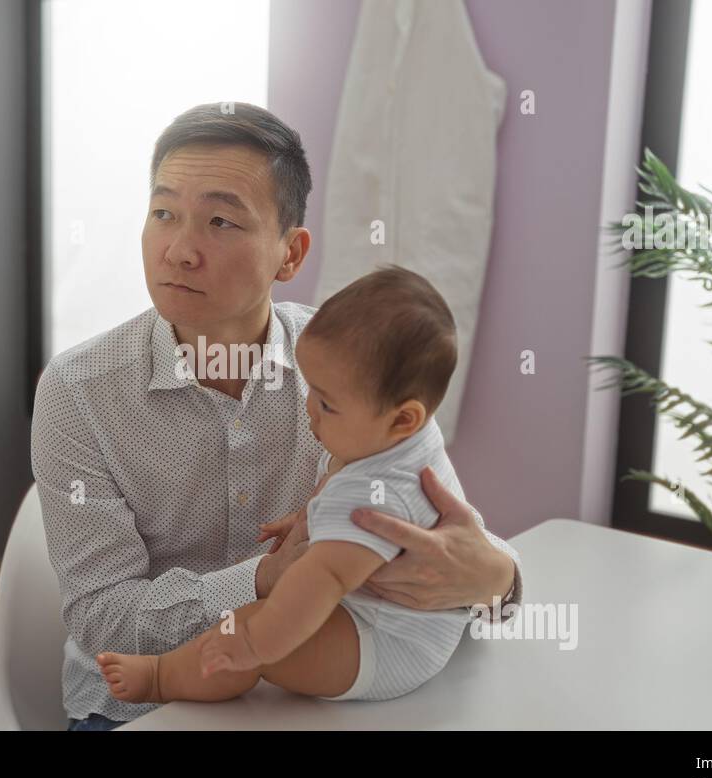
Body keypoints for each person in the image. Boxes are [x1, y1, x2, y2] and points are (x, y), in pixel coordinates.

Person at [30, 103, 522, 731]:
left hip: (312, 698)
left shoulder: (351, 364)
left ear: (290, 254)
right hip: (146, 709)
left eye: (219, 220)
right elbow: (105, 618)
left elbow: (438, 520)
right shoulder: (79, 392)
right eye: (163, 214)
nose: (179, 250)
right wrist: (264, 577)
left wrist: (498, 577)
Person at [98, 266, 477, 705]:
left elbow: (324, 574)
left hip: (384, 643)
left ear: (403, 417)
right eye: (312, 391)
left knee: (244, 627)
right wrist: (312, 517)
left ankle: (162, 676)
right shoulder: (403, 439)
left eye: (327, 404)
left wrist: (256, 643)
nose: (309, 408)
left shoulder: (377, 491)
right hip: (415, 623)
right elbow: (350, 490)